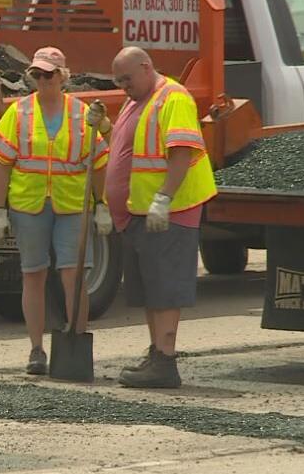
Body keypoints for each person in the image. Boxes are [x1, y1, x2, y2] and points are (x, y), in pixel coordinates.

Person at [89, 46, 217, 388]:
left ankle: (165, 359)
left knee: (165, 288)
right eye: (118, 81)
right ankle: (156, 353)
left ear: (146, 67)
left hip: (168, 211)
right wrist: (104, 126)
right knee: (148, 289)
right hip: (140, 211)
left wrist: (163, 199)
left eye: (127, 79)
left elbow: (181, 152)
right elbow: (126, 144)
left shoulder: (173, 98)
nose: (123, 86)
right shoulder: (138, 99)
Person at [0, 47, 112, 375]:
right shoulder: (19, 112)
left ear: (63, 76)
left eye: (49, 74)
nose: (42, 80)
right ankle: (36, 351)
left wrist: (102, 205)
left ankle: (75, 340)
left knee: (73, 274)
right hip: (29, 206)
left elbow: (98, 163)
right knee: (33, 275)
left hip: (70, 206)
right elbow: (2, 164)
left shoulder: (81, 114)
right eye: (37, 75)